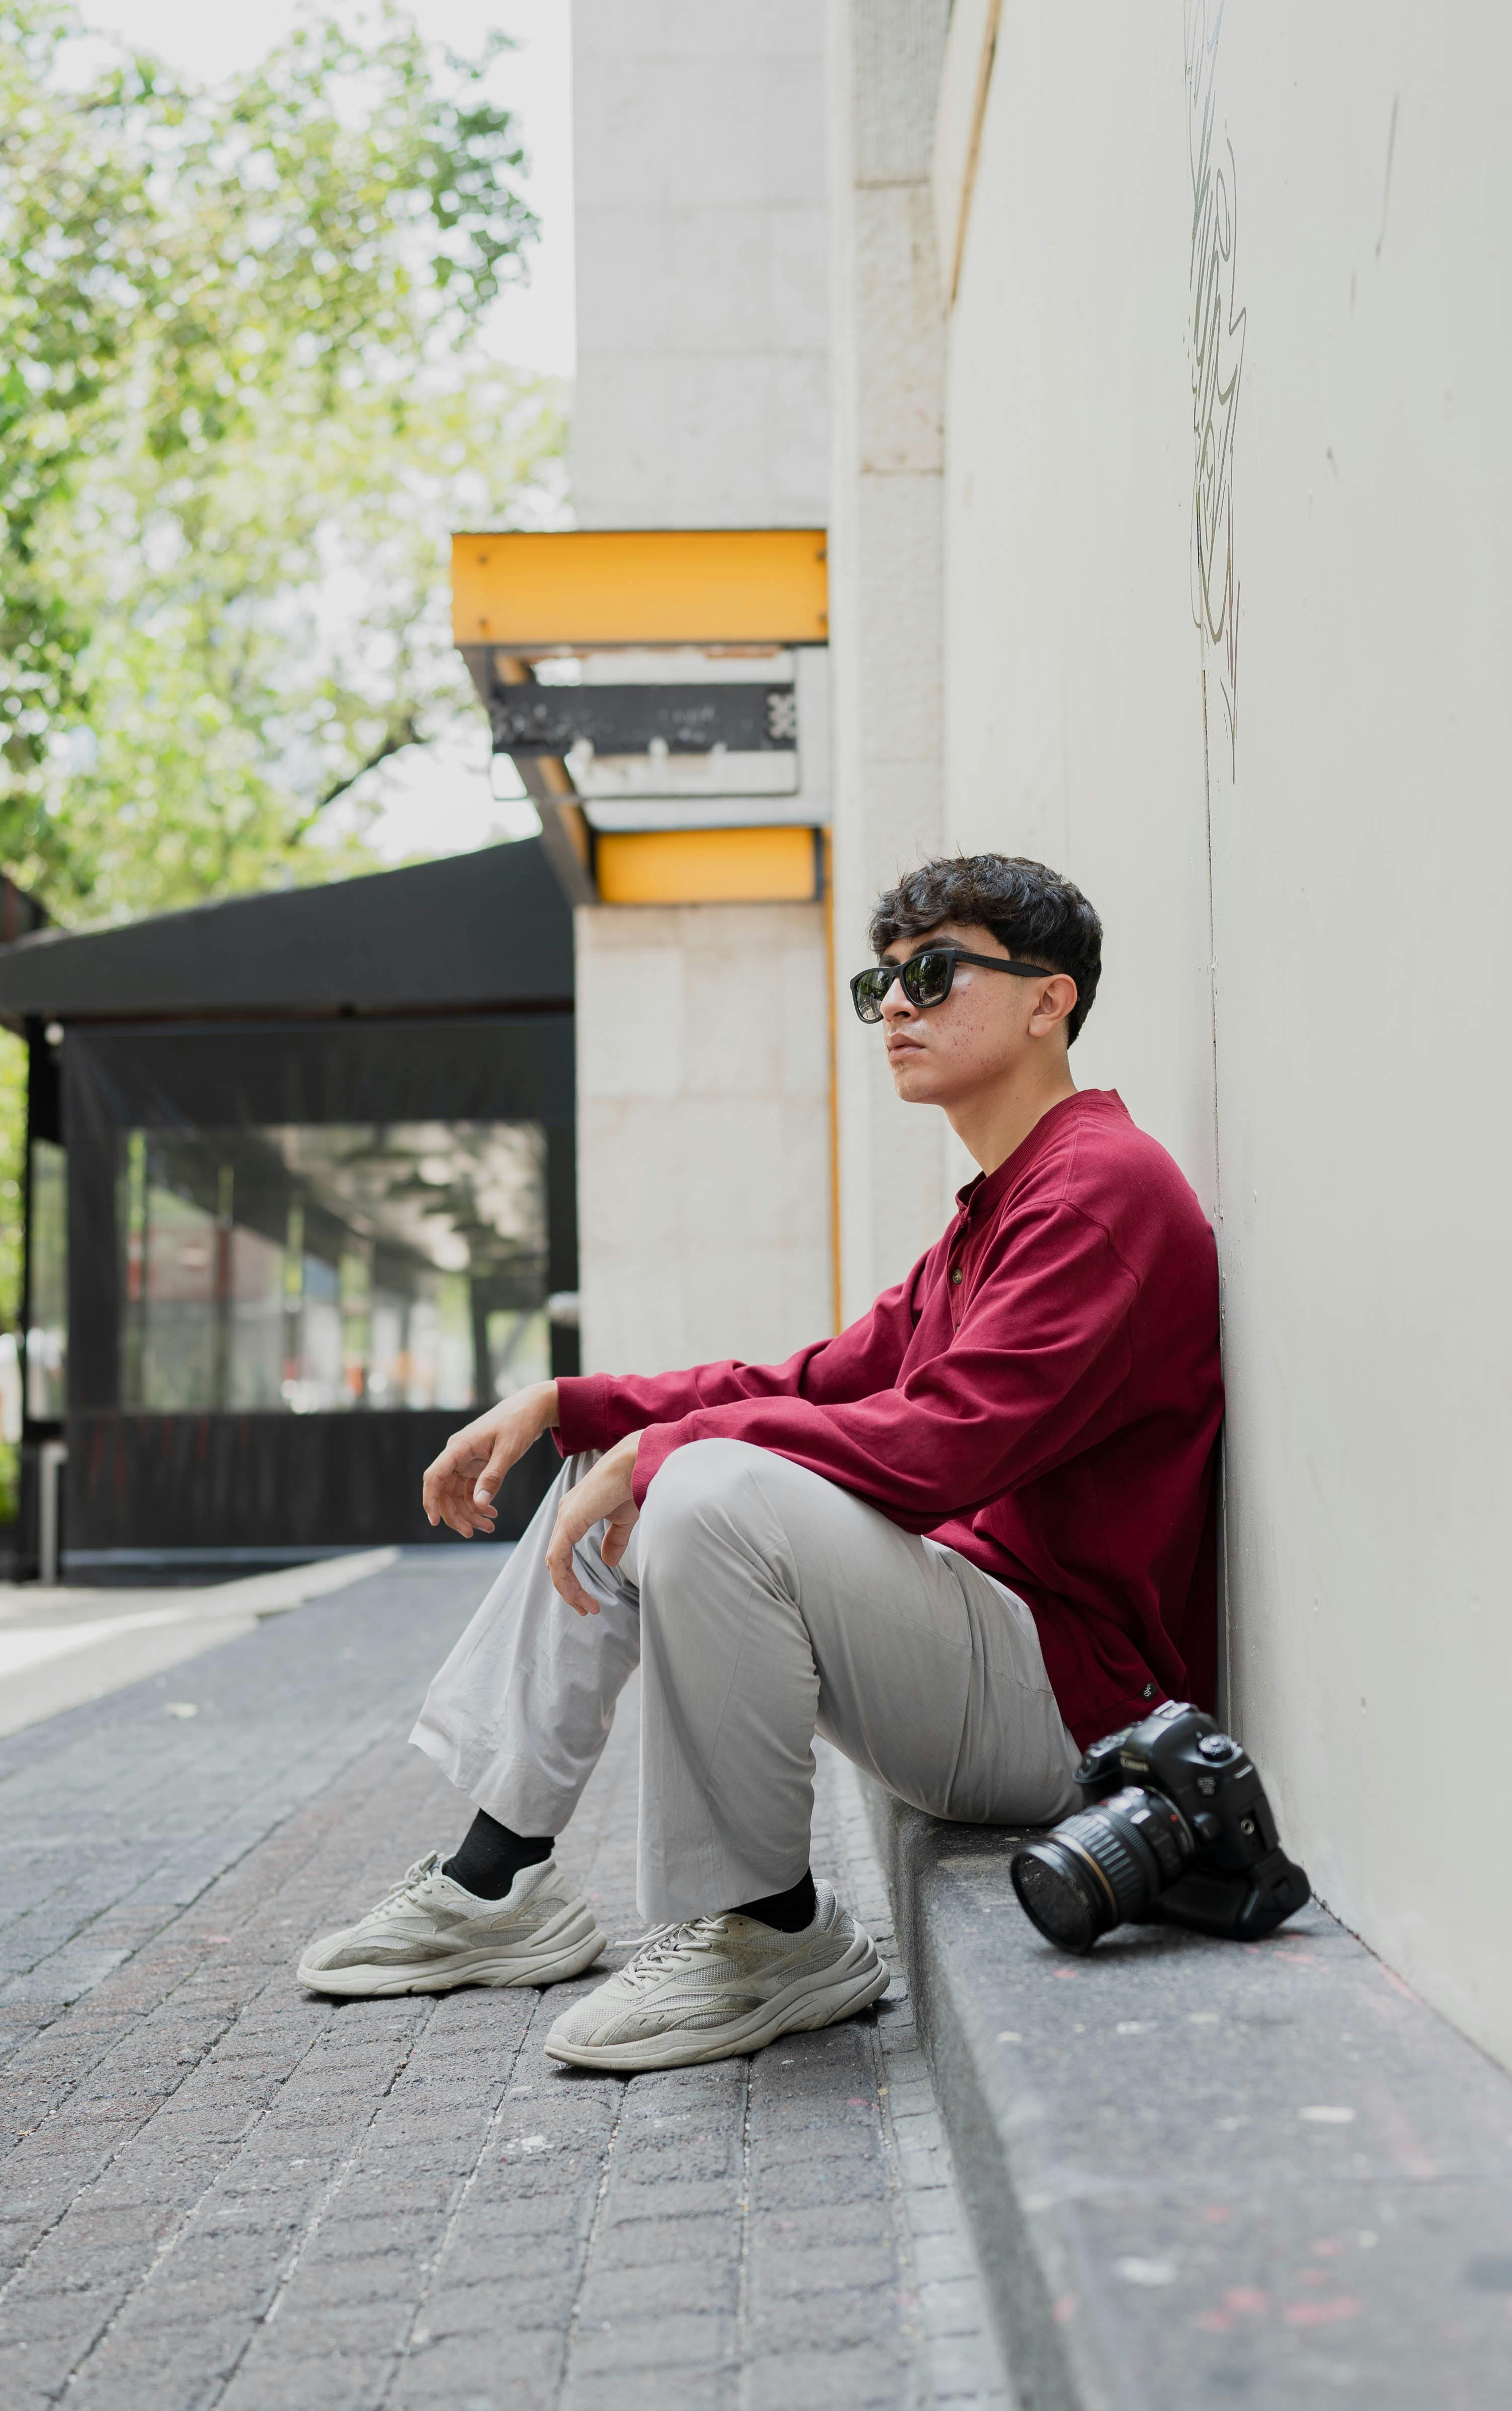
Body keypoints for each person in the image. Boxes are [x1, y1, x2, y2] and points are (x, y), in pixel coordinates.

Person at [297, 854, 1223, 2073]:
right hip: (981, 1659)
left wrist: (670, 1449)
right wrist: (577, 1405)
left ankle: (769, 1932)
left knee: (707, 1487)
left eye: (934, 974)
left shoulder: (1098, 1191)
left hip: (1073, 1710)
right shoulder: (995, 1207)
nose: (895, 1005)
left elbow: (943, 1444)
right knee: (624, 1474)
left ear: (1049, 999)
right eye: (880, 983)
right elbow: (819, 1380)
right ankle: (497, 1880)